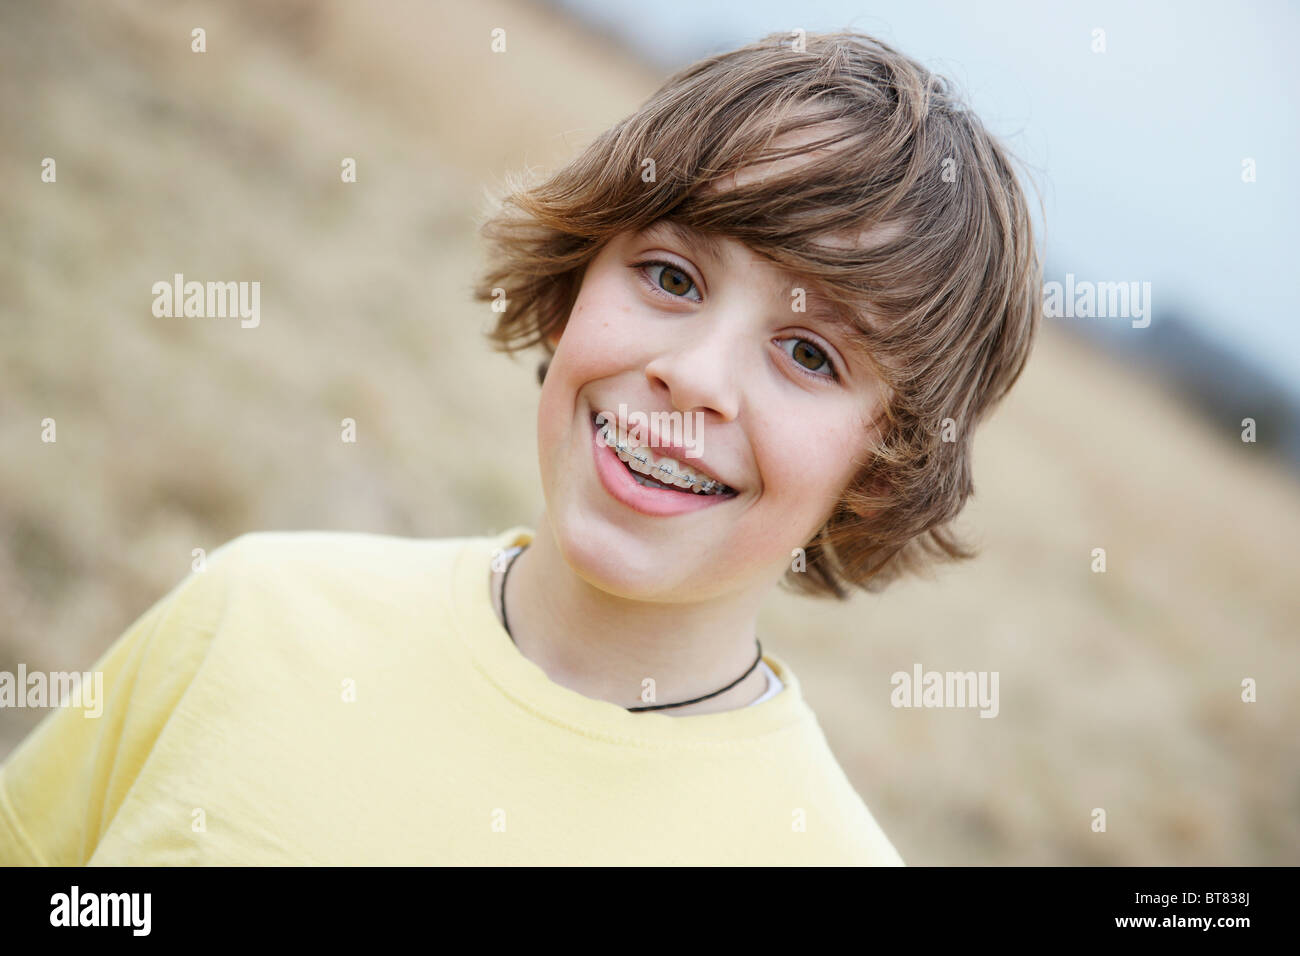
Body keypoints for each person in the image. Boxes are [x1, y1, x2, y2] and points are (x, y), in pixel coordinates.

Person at [0, 29, 1040, 865]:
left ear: (882, 464)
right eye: (672, 277)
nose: (695, 376)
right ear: (572, 282)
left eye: (809, 353)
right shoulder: (256, 608)